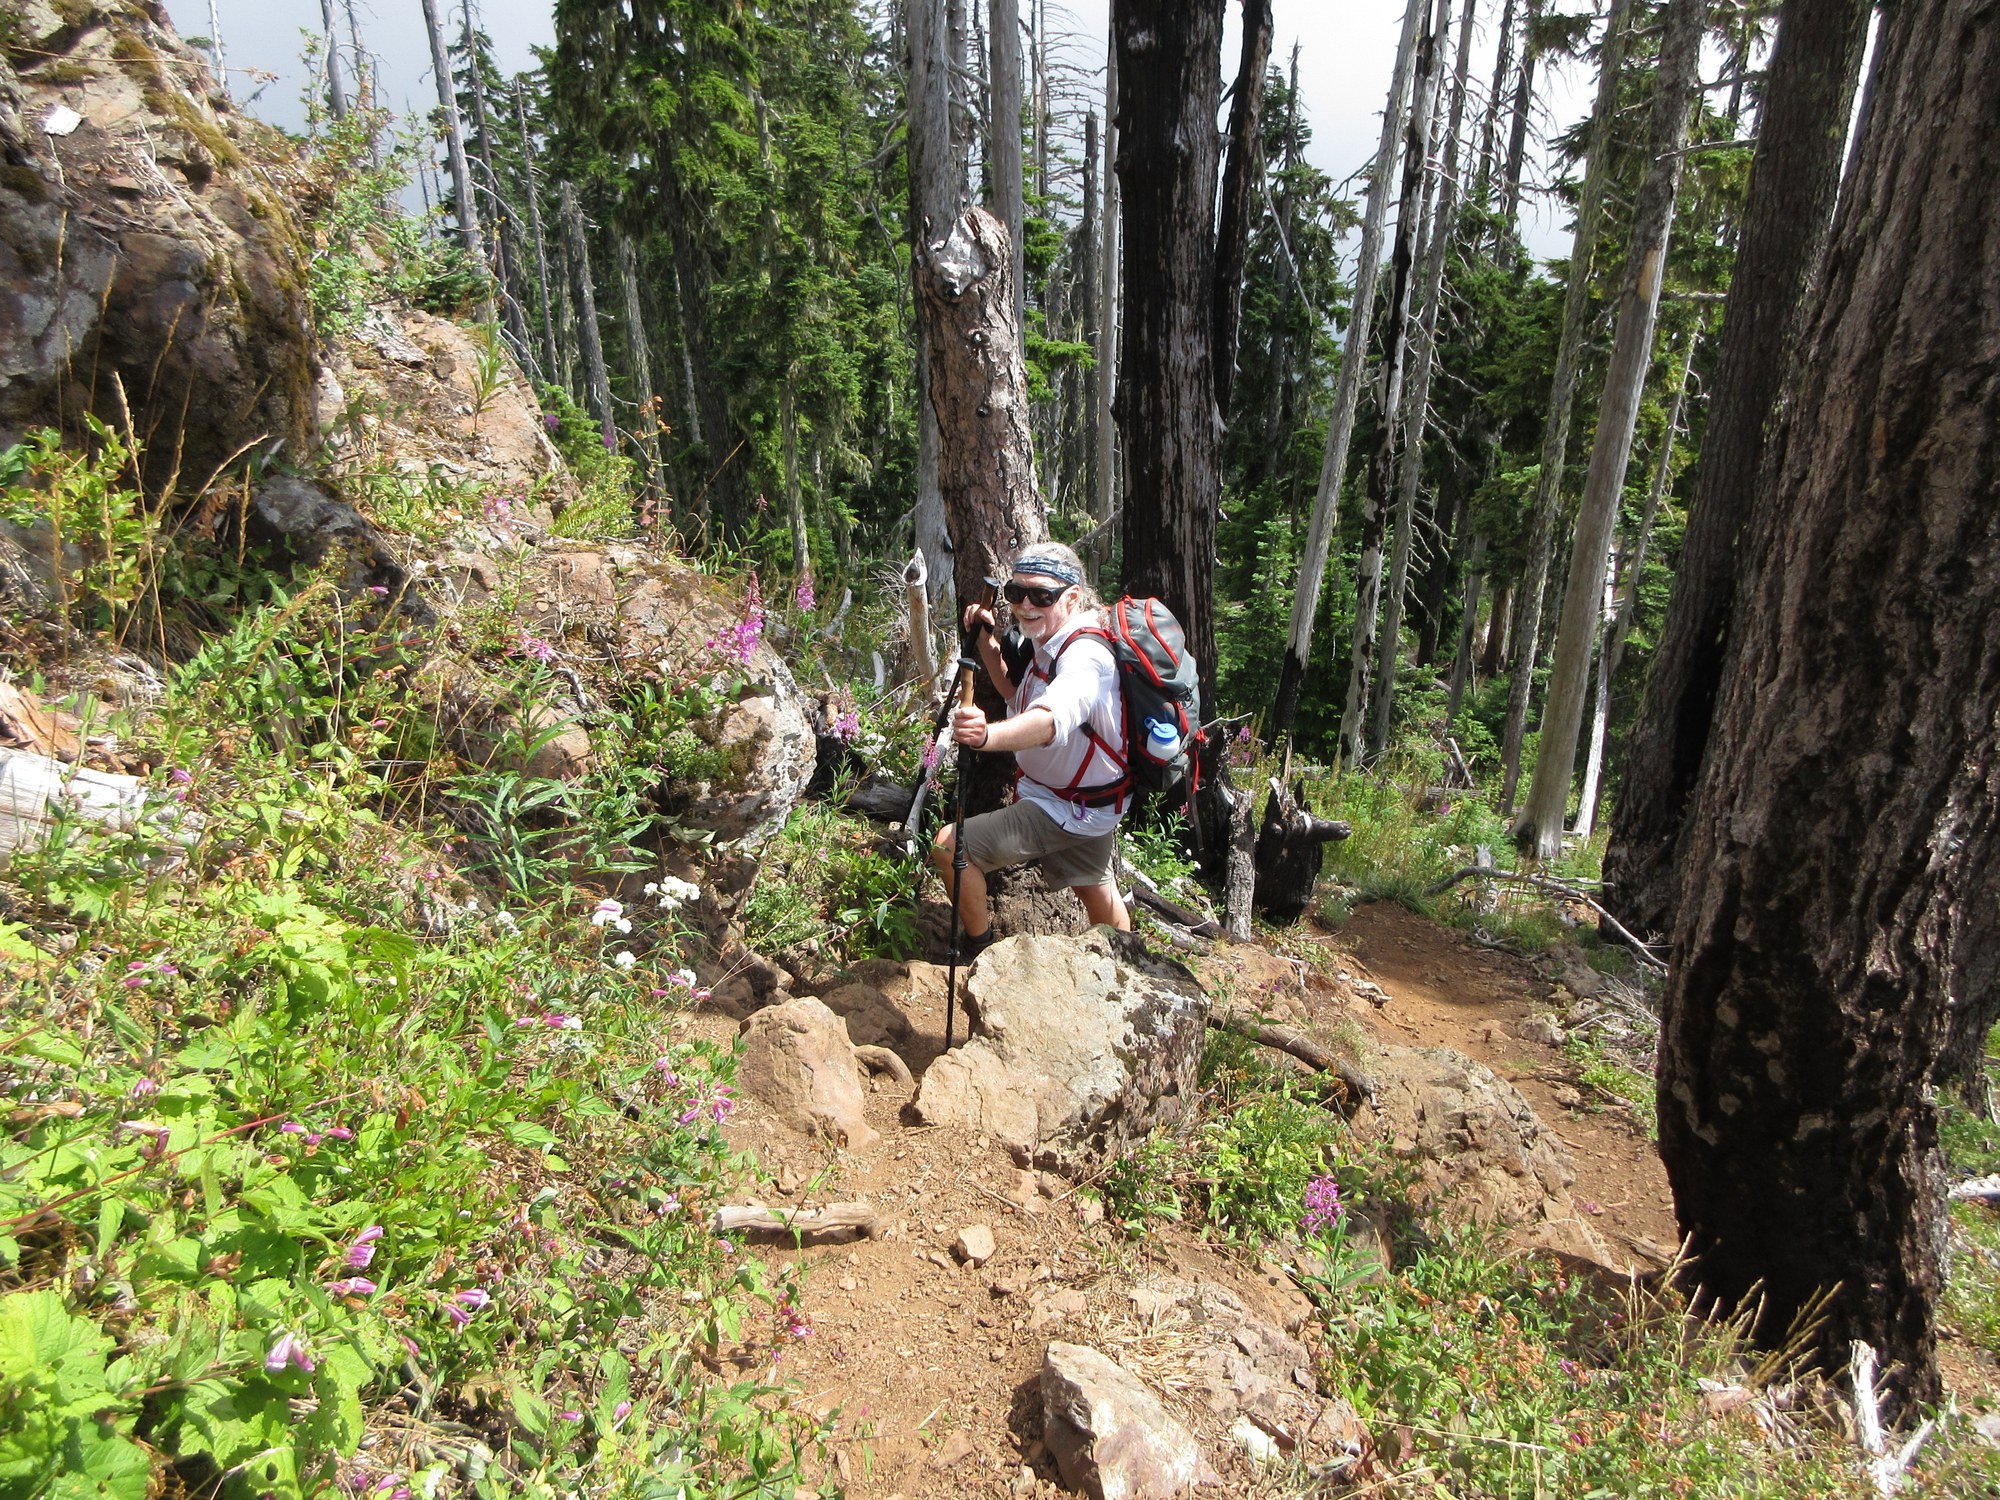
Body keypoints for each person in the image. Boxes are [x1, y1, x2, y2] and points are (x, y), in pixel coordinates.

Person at [930, 542, 1133, 952]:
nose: (1025, 605)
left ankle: (978, 947)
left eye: (1041, 595)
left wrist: (987, 737)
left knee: (949, 846)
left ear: (1072, 597)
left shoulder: (1085, 657)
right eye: (1016, 592)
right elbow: (1013, 691)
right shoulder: (1053, 640)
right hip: (1094, 803)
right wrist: (987, 644)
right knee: (1094, 889)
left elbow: (1049, 722)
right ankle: (1127, 962)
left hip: (1058, 807)